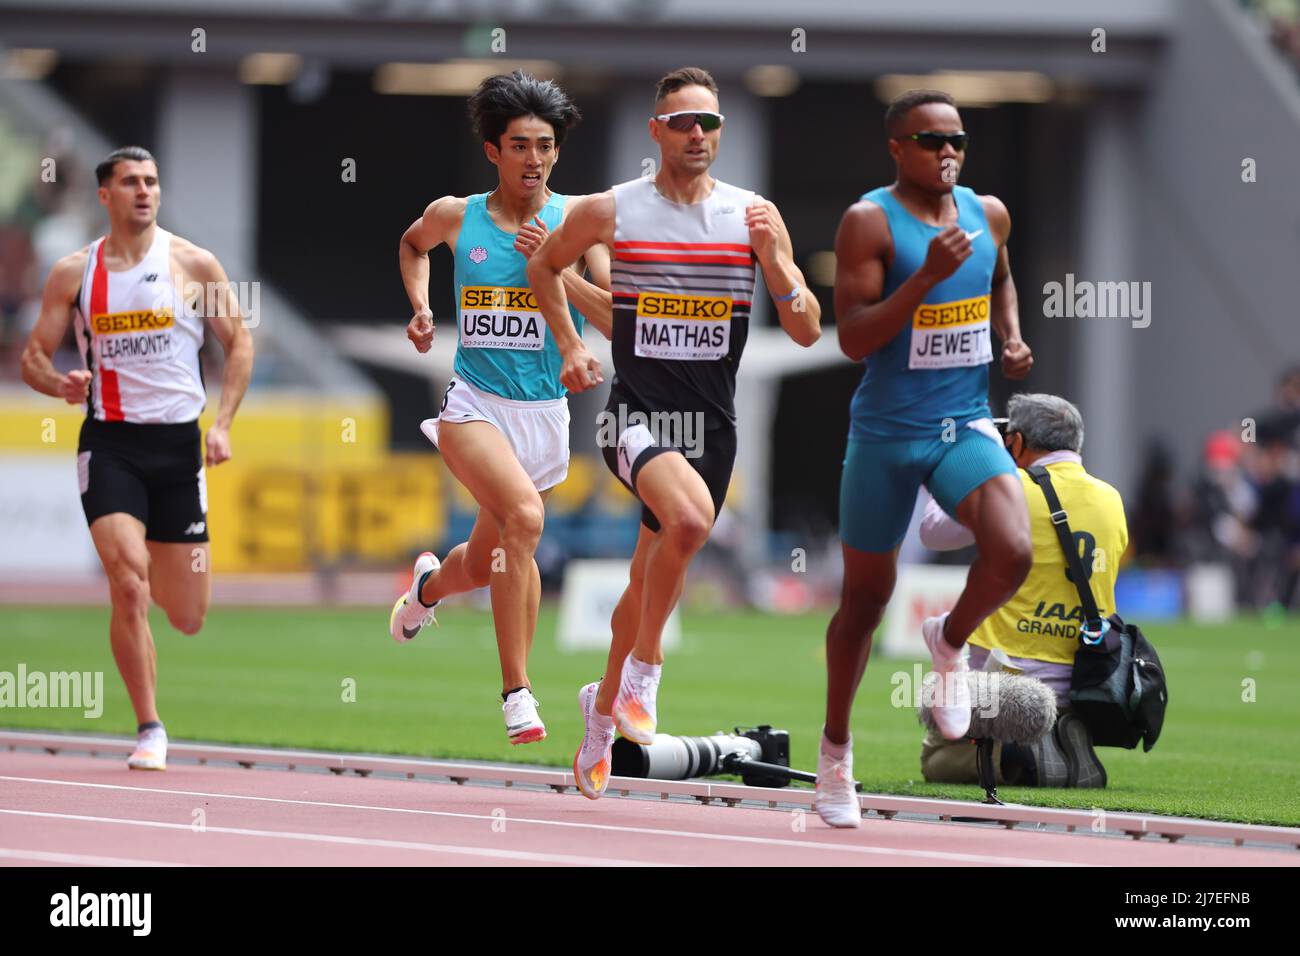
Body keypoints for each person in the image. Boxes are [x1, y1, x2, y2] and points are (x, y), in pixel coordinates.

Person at [527, 66, 822, 800]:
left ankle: (600, 716)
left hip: (710, 428)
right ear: (655, 132)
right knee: (690, 523)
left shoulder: (753, 214)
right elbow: (543, 264)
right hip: (635, 415)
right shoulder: (611, 210)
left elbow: (809, 329)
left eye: (710, 123)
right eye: (683, 123)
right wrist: (569, 345)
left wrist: (780, 263)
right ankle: (645, 675)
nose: (698, 134)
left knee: (647, 571)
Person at [816, 89, 1034, 827]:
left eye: (958, 141)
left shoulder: (988, 213)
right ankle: (836, 753)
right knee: (864, 603)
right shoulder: (868, 222)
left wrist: (1009, 333)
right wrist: (923, 279)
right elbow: (851, 337)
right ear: (897, 148)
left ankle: (948, 638)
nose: (948, 152)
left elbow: (1001, 275)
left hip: (962, 421)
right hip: (885, 433)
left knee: (1013, 549)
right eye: (931, 139)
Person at [388, 71, 612, 744]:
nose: (535, 159)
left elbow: (615, 315)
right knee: (524, 518)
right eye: (520, 145)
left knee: (486, 555)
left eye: (546, 145)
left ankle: (426, 589)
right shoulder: (459, 216)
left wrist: (557, 268)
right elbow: (411, 245)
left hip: (543, 415)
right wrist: (422, 306)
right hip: (474, 405)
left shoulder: (577, 223)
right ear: (494, 151)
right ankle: (517, 691)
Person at [20, 146, 254, 771]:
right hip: (111, 443)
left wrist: (224, 423)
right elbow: (33, 356)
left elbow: (239, 343)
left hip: (179, 449)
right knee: (127, 582)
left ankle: (162, 591)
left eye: (151, 181)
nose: (144, 191)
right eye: (130, 182)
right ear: (106, 195)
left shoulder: (193, 263)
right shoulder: (76, 273)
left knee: (187, 616)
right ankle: (150, 726)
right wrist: (60, 384)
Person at [918, 394, 1126, 788]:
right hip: (1085, 683)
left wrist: (958, 461)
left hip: (1006, 685)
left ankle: (1019, 755)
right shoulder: (1111, 499)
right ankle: (1061, 738)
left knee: (937, 758)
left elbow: (932, 532)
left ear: (1014, 442)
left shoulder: (1007, 489)